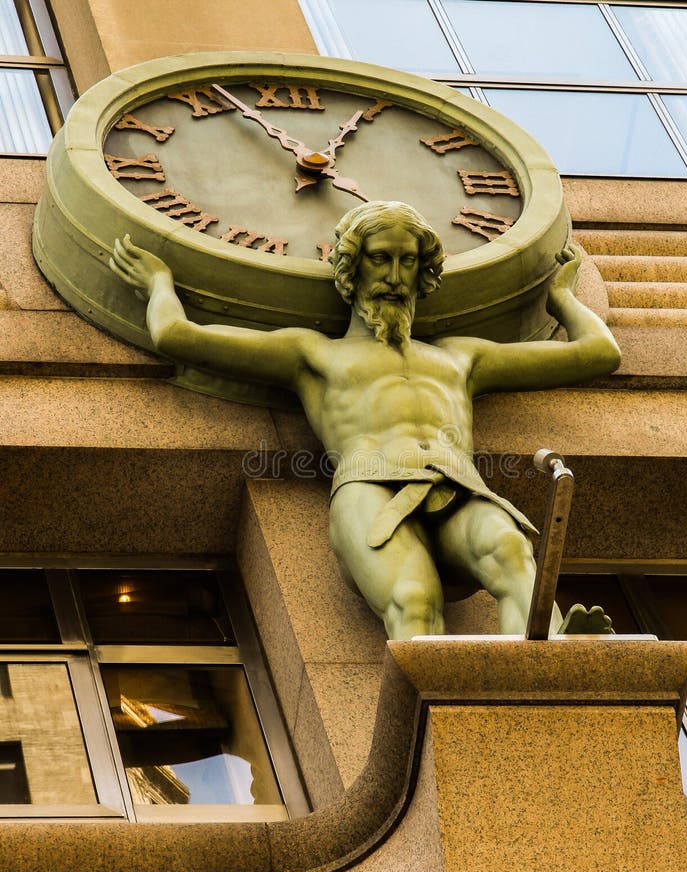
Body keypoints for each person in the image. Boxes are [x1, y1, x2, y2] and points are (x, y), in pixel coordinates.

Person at [111, 200, 621, 640]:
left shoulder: (461, 358)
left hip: (459, 485)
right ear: (352, 269)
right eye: (380, 260)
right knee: (413, 600)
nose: (395, 278)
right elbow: (177, 336)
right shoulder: (314, 355)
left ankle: (550, 661)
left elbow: (599, 353)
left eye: (407, 262)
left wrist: (562, 299)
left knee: (513, 552)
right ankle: (443, 725)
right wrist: (158, 282)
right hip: (368, 488)